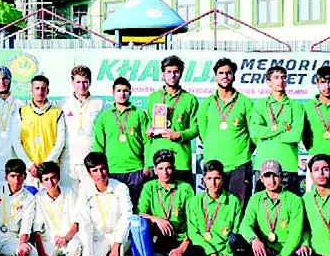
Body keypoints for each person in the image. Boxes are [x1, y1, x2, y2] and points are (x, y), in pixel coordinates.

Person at [234, 159, 305, 256]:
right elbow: (244, 225)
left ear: (281, 177)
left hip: (284, 252)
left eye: (275, 176)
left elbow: (295, 237)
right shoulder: (256, 198)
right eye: (267, 176)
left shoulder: (295, 200)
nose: (271, 180)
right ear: (261, 178)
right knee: (234, 240)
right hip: (264, 251)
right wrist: (254, 239)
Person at [132, 149, 198, 256]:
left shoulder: (185, 188)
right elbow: (140, 213)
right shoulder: (149, 187)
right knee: (137, 223)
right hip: (159, 238)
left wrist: (181, 249)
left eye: (168, 168)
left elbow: (194, 222)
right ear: (155, 170)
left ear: (174, 169)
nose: (165, 172)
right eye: (160, 169)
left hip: (181, 239)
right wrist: (156, 219)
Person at [197, 58, 254, 206]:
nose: (225, 76)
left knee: (240, 208)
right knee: (214, 209)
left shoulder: (246, 103)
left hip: (239, 165)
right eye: (221, 73)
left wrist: (241, 152)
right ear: (216, 77)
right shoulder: (206, 104)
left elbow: (253, 136)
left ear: (234, 76)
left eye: (229, 73)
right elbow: (203, 134)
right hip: (214, 167)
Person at [186, 160, 243, 256]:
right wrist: (211, 253)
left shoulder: (233, 201)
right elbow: (193, 233)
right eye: (209, 178)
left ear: (223, 179)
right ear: (204, 180)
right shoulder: (195, 201)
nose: (213, 183)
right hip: (205, 252)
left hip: (224, 255)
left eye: (217, 178)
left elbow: (236, 233)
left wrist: (227, 255)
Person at [92, 77, 150, 206]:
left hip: (135, 169)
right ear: (113, 93)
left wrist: (147, 167)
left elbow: (147, 142)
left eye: (125, 91)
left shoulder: (139, 114)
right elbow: (99, 146)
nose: (122, 94)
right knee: (114, 207)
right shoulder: (104, 117)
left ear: (130, 93)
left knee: (135, 208)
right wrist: (100, 169)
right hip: (112, 169)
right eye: (118, 90)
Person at [250, 66, 305, 195]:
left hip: (287, 164)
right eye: (276, 77)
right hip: (263, 164)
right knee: (263, 205)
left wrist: (268, 136)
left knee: (288, 204)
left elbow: (296, 135)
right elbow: (255, 131)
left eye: (283, 77)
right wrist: (281, 128)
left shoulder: (296, 106)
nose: (280, 81)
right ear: (269, 82)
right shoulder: (259, 104)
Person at [78, 152, 133, 256]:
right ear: (89, 174)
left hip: (118, 236)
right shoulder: (84, 190)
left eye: (103, 169)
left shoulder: (121, 188)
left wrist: (116, 245)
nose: (100, 174)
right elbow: (85, 224)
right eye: (95, 171)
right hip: (98, 238)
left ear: (107, 168)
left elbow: (126, 217)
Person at [145, 56, 199, 185]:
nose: (172, 75)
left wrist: (180, 135)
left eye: (176, 72)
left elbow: (196, 128)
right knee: (157, 197)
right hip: (157, 160)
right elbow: (149, 125)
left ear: (181, 74)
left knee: (183, 196)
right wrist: (149, 130)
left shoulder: (190, 99)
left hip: (180, 160)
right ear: (163, 74)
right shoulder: (153, 97)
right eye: (168, 72)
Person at [30, 161, 85, 256]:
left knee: (75, 248)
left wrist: (66, 238)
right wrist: (41, 253)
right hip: (49, 241)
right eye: (46, 179)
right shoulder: (38, 198)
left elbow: (77, 222)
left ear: (58, 177)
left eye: (53, 178)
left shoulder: (69, 193)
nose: (50, 183)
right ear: (41, 182)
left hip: (68, 238)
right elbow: (37, 230)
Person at [13, 75, 66, 188]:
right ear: (31, 90)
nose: (40, 92)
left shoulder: (57, 113)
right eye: (37, 88)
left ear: (48, 91)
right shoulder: (21, 112)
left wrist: (46, 164)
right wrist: (29, 165)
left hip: (50, 171)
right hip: (28, 172)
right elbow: (16, 141)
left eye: (43, 88)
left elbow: (60, 142)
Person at [59, 65, 105, 189]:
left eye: (85, 82)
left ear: (90, 82)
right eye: (78, 82)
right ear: (72, 82)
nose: (82, 85)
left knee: (90, 195)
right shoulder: (63, 103)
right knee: (69, 196)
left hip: (91, 160)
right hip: (68, 160)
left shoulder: (99, 103)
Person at [0, 66, 25, 186]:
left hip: (12, 161)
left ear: (10, 80)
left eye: (5, 78)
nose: (2, 82)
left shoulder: (20, 105)